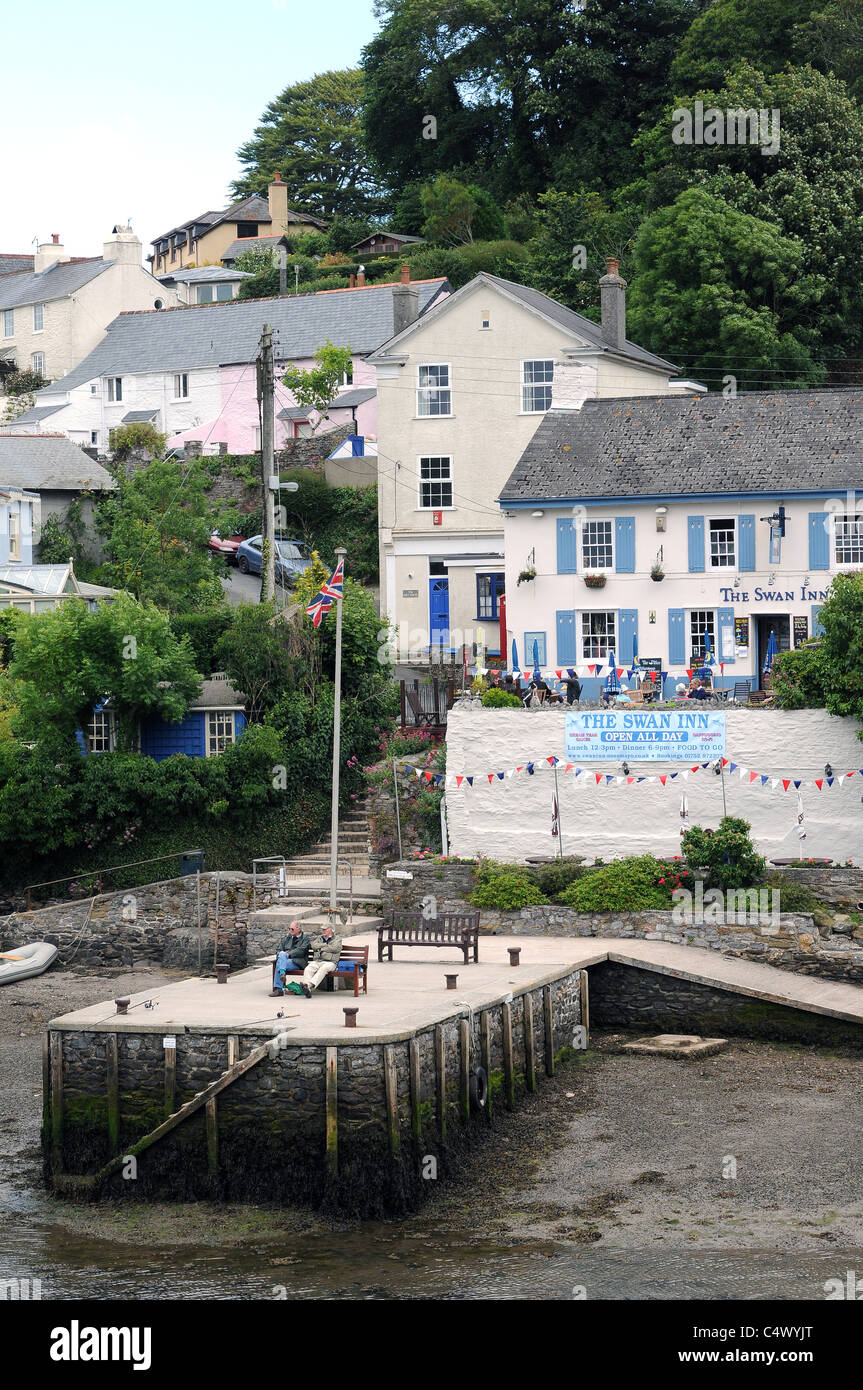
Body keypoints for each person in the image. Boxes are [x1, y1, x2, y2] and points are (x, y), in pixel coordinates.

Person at [299, 923, 344, 997]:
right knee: (308, 968)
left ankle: (308, 986)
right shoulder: (319, 938)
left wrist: (320, 948)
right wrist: (326, 945)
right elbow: (313, 946)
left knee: (323, 969)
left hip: (331, 962)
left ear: (331, 930)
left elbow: (335, 948)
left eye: (325, 929)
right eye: (322, 929)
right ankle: (307, 989)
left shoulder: (337, 939)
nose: (323, 931)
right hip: (318, 961)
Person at [271, 921, 311, 996]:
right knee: (281, 956)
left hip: (298, 962)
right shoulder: (287, 938)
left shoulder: (305, 939)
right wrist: (283, 955)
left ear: (299, 929)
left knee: (280, 963)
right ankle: (282, 973)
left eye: (292, 929)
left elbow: (301, 951)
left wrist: (288, 954)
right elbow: (278, 950)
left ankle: (279, 989)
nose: (290, 931)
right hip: (286, 961)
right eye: (289, 929)